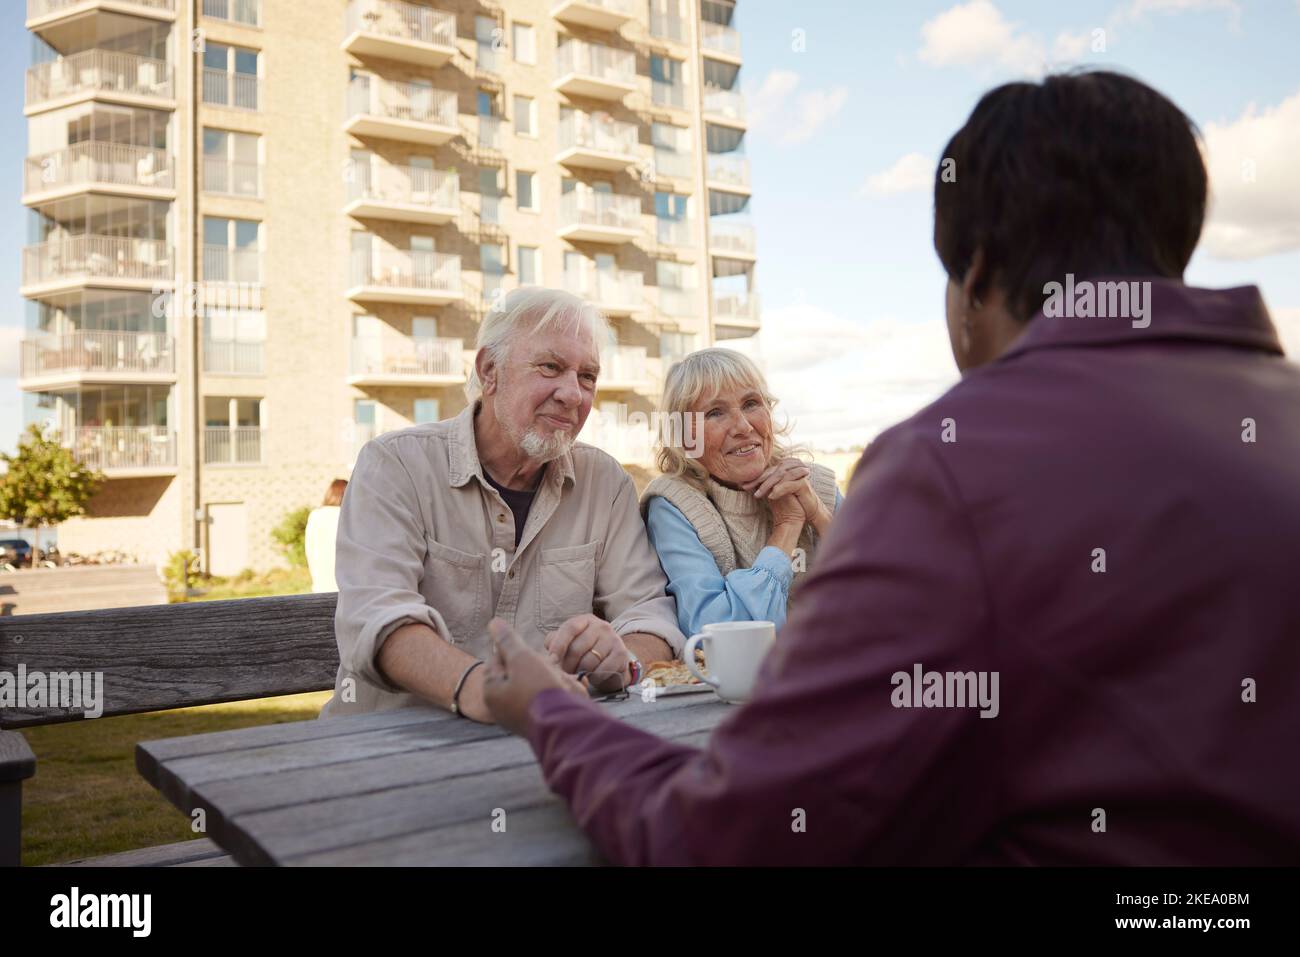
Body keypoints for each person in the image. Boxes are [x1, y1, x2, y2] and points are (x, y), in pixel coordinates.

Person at [478, 70, 1300, 864]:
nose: (741, 425)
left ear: (972, 275)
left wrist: (551, 714)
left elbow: (733, 835)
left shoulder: (950, 467)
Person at [320, 287, 684, 722]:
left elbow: (649, 616)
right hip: (388, 751)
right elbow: (378, 618)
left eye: (587, 377)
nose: (572, 394)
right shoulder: (396, 465)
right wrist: (486, 691)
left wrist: (622, 656)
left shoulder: (604, 482)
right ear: (489, 369)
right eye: (551, 367)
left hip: (542, 747)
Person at [641, 348, 841, 635]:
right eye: (715, 413)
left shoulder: (814, 484)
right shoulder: (675, 505)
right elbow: (717, 629)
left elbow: (887, 600)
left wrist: (820, 517)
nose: (743, 427)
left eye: (751, 404)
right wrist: (786, 528)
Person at [305, 479, 346, 592]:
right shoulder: (346, 515)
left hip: (320, 586)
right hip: (344, 587)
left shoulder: (315, 515)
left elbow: (310, 549)